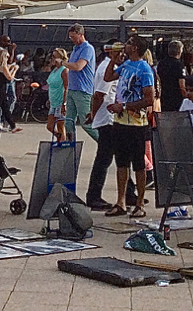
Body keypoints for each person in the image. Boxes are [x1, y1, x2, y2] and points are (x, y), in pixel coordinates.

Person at [103, 35, 156, 219]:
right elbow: (108, 77)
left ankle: (139, 203)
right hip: (120, 122)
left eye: (129, 43)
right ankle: (121, 201)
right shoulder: (126, 65)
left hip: (136, 124)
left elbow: (149, 99)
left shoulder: (144, 69)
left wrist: (124, 106)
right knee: (121, 163)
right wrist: (112, 60)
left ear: (135, 48)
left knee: (138, 165)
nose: (125, 45)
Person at [84, 39, 124, 210]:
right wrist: (93, 114)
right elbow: (99, 95)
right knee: (104, 158)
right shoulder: (107, 68)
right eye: (119, 51)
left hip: (111, 117)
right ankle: (93, 196)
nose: (122, 55)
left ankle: (129, 193)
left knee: (121, 155)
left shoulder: (111, 66)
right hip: (107, 118)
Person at [62, 24, 99, 141]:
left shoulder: (87, 48)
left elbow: (78, 66)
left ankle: (105, 143)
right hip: (72, 88)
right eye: (70, 37)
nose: (72, 39)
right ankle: (70, 144)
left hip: (83, 89)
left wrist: (64, 63)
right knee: (68, 121)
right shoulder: (75, 49)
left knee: (86, 123)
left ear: (81, 34)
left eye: (74, 37)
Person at [0, 46, 20, 133]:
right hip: (1, 89)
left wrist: (11, 67)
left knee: (5, 108)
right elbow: (9, 77)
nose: (8, 58)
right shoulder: (3, 66)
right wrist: (15, 70)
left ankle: (13, 126)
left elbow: (6, 71)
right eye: (7, 57)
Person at [45, 48, 69, 142]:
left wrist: (64, 103)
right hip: (53, 102)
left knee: (60, 125)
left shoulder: (64, 70)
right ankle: (60, 138)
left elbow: (66, 87)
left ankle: (62, 142)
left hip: (60, 101)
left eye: (54, 57)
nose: (52, 59)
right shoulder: (54, 70)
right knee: (50, 126)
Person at [158, 40, 187, 115]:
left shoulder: (161, 63)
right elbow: (182, 85)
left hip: (163, 97)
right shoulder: (179, 65)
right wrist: (186, 96)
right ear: (179, 51)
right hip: (176, 98)